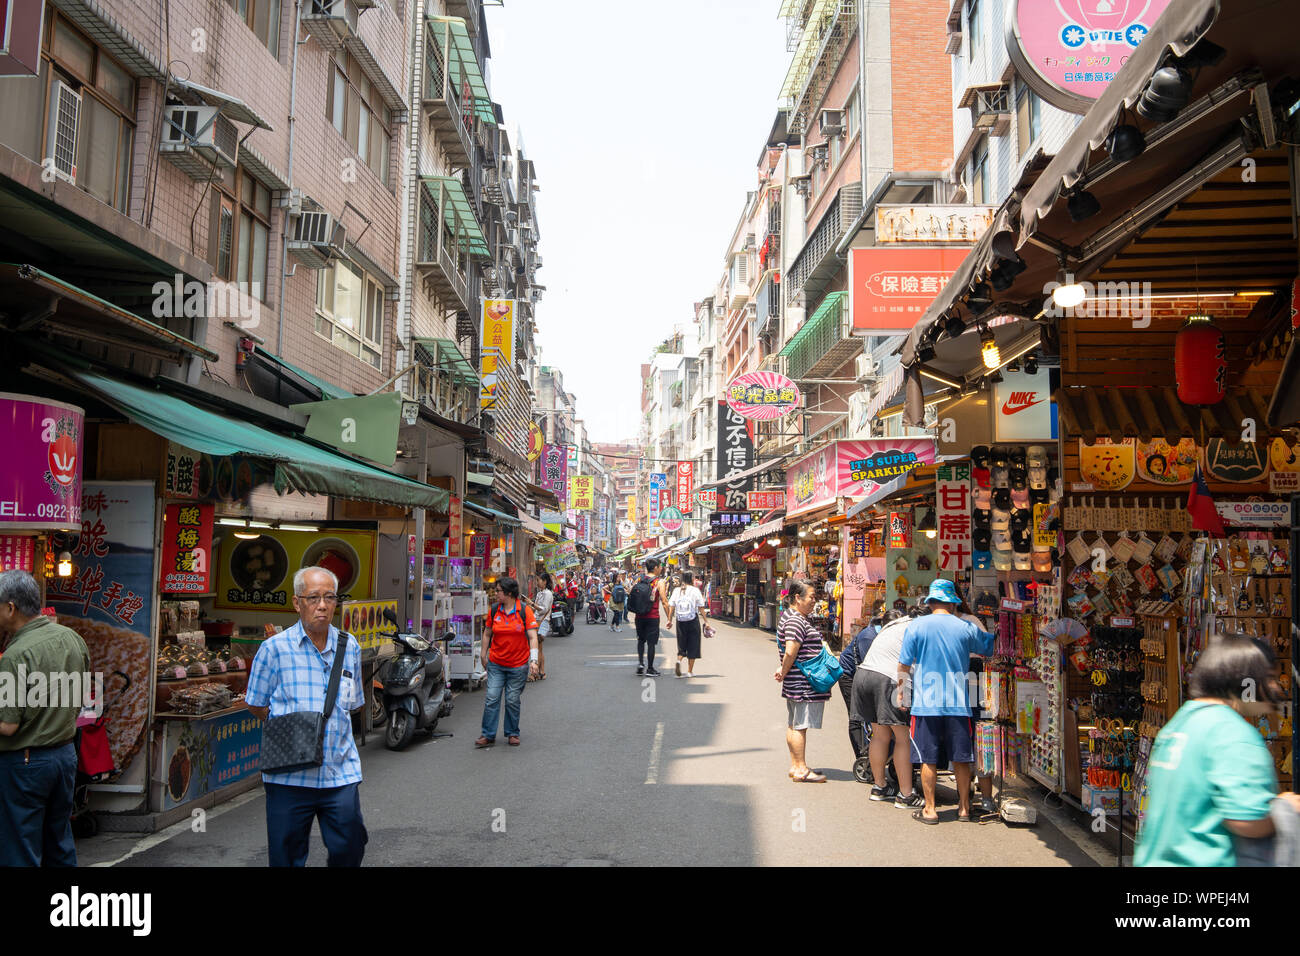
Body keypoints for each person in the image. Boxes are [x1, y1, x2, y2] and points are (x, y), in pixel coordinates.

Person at [1136, 635, 1300, 866]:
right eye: (1269, 678)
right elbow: (1248, 819)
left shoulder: (1179, 725)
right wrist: (1286, 809)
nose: (1275, 687)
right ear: (1247, 682)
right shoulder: (1231, 733)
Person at [245, 566, 368, 866]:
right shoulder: (273, 649)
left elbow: (354, 704)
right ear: (297, 603)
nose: (322, 605)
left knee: (350, 845)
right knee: (286, 855)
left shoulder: (348, 645)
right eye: (313, 598)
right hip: (289, 774)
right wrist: (290, 730)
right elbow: (257, 705)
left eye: (329, 597)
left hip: (339, 771)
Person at [0, 570, 91, 866]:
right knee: (59, 844)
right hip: (65, 756)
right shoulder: (73, 639)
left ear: (10, 608)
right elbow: (82, 700)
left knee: (21, 848)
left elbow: (8, 725)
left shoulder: (15, 655)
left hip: (26, 762)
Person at [896, 579, 994, 824]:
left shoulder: (917, 626)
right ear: (952, 602)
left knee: (928, 759)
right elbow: (989, 647)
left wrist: (901, 691)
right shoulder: (965, 626)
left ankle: (930, 809)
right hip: (959, 704)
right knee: (961, 758)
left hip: (926, 704)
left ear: (930, 602)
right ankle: (963, 808)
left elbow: (904, 663)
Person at [855, 610, 922, 808]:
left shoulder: (894, 624)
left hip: (864, 675)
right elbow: (910, 665)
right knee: (902, 738)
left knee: (880, 735)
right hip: (887, 678)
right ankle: (906, 795)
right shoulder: (918, 628)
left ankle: (880, 787)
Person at [775, 580, 830, 783]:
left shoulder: (792, 617)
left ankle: (795, 765)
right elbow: (791, 650)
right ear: (797, 598)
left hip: (796, 680)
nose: (814, 601)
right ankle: (800, 769)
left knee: (794, 724)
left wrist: (784, 670)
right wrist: (783, 670)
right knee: (799, 726)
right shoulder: (796, 620)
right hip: (802, 683)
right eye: (812, 597)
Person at [476, 578, 540, 748]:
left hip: (518, 665)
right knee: (491, 698)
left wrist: (534, 660)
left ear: (509, 593)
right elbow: (487, 633)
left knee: (512, 699)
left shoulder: (524, 611)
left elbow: (533, 637)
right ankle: (488, 734)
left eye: (498, 591)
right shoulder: (494, 610)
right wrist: (483, 654)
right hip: (496, 663)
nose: (495, 593)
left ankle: (512, 732)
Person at [837, 608, 880, 762]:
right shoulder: (869, 637)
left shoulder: (879, 635)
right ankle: (862, 756)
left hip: (863, 675)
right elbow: (869, 664)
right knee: (856, 716)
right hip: (849, 675)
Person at [666, 570, 707, 677]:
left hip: (680, 621)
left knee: (682, 644)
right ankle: (689, 671)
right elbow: (701, 607)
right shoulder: (695, 590)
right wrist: (706, 621)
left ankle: (679, 661)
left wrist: (669, 620)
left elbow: (672, 606)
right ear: (692, 579)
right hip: (693, 621)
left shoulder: (677, 590)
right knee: (693, 645)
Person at [632, 558, 669, 676]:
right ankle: (650, 668)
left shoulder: (639, 579)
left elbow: (632, 593)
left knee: (641, 640)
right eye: (660, 566)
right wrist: (669, 618)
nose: (662, 568)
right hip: (652, 616)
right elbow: (664, 601)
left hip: (639, 615)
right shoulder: (659, 582)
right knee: (651, 643)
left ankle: (640, 664)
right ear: (656, 567)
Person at [527, 573, 553, 680]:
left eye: (539, 580)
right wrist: (529, 605)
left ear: (545, 581)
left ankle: (535, 673)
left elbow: (544, 609)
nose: (537, 582)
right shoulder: (539, 593)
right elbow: (536, 609)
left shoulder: (548, 594)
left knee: (537, 647)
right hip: (536, 621)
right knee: (539, 648)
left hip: (542, 622)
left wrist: (532, 604)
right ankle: (541, 672)